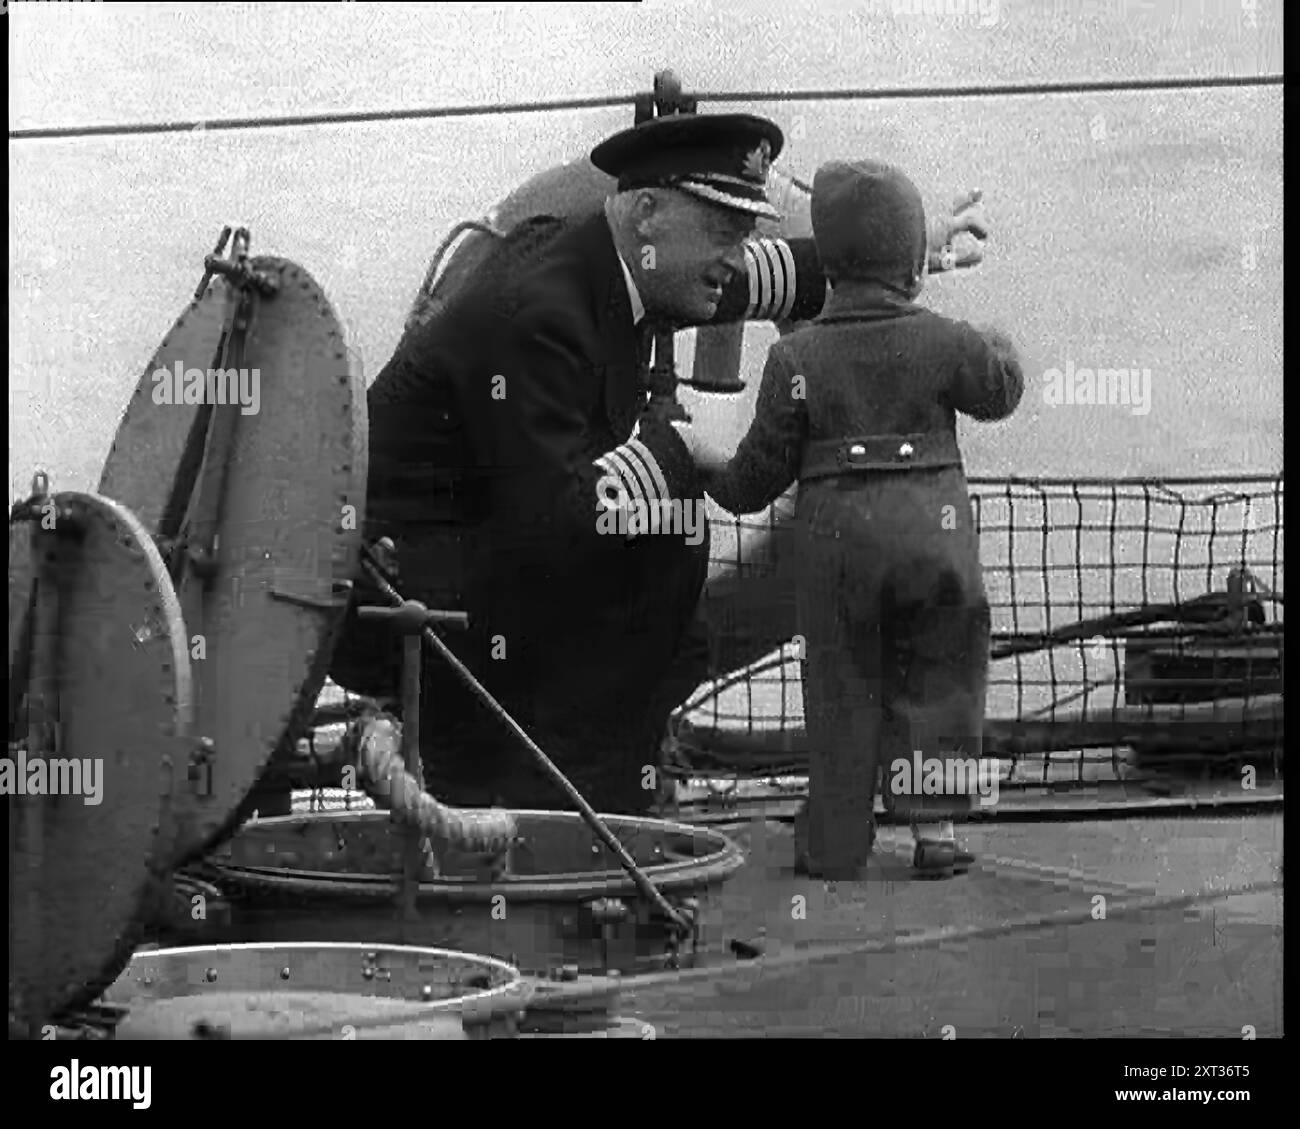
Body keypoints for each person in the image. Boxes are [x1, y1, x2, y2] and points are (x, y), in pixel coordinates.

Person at [329, 111, 792, 814]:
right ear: (646, 213)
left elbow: (735, 276)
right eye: (724, 230)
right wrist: (675, 450)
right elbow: (553, 524)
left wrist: (895, 260)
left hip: (469, 561)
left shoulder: (602, 258)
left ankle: (589, 775)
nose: (737, 253)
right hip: (405, 599)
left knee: (664, 537)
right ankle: (557, 796)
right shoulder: (544, 317)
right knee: (663, 534)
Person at [674, 159, 1024, 879]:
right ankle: (937, 835)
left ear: (825, 270)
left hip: (838, 550)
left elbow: (753, 479)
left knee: (840, 686)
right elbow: (997, 393)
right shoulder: (947, 341)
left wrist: (703, 464)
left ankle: (836, 840)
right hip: (936, 541)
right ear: (915, 267)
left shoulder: (796, 355)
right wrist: (1000, 347)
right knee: (943, 675)